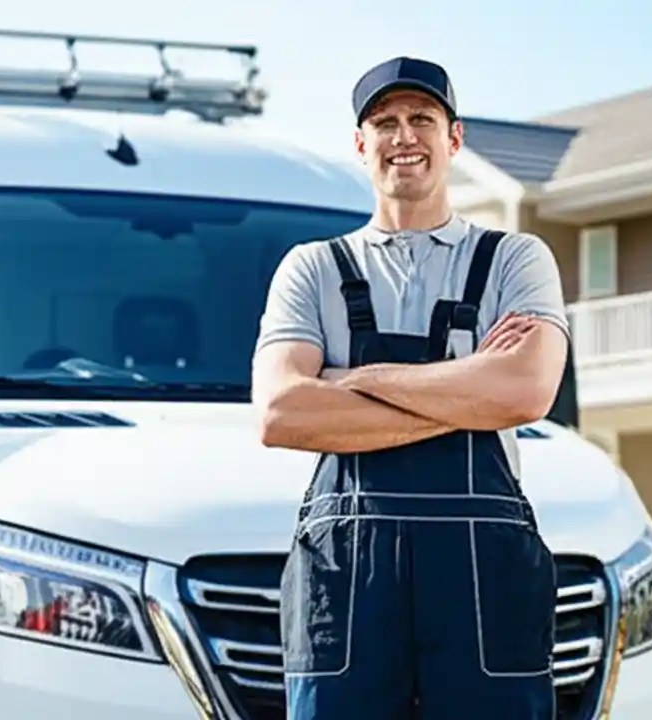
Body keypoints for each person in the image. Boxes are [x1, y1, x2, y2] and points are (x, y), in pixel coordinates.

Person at [251, 56, 571, 719]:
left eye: (422, 119)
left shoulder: (515, 259)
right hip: (347, 581)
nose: (404, 137)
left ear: (453, 139)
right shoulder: (310, 268)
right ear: (359, 143)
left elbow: (524, 392)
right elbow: (281, 412)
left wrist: (355, 382)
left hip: (483, 580)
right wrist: (466, 395)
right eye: (385, 121)